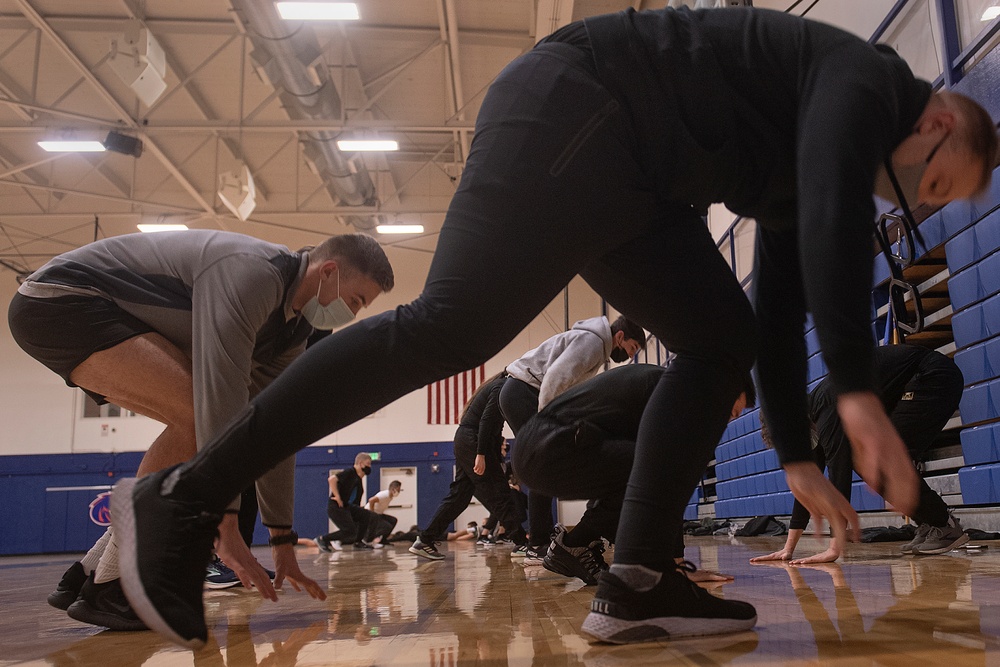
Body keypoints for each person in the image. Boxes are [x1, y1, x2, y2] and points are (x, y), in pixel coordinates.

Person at [111, 5, 997, 648]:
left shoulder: (822, 148)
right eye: (934, 183)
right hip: (585, 100)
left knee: (719, 339)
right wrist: (853, 390)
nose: (915, 199)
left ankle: (639, 579)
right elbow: (839, 207)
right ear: (939, 119)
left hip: (644, 181)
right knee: (450, 329)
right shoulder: (861, 82)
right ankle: (186, 495)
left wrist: (796, 452)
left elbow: (778, 296)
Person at [9, 229, 392, 630]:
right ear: (328, 271)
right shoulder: (254, 274)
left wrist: (281, 539)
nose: (353, 313)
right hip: (62, 300)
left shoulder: (291, 332)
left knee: (203, 420)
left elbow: (270, 430)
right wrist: (224, 525)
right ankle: (116, 585)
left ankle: (91, 577)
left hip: (100, 315)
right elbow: (219, 406)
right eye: (355, 301)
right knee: (200, 417)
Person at [513, 363, 754, 587]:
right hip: (549, 448)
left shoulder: (666, 385)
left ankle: (576, 545)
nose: (724, 423)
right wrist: (677, 567)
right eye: (730, 412)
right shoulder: (673, 395)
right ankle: (575, 546)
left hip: (538, 447)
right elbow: (666, 479)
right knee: (661, 470)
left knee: (651, 469)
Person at [751, 344, 967, 564]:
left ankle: (943, 525)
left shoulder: (827, 410)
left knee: (881, 459)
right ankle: (931, 523)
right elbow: (809, 486)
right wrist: (788, 548)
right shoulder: (813, 419)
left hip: (932, 376)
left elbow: (839, 478)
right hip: (911, 384)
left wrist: (834, 548)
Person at [501, 315, 645, 560]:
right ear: (620, 337)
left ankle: (540, 539)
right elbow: (555, 378)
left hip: (521, 392)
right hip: (524, 392)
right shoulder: (593, 341)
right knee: (542, 461)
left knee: (543, 463)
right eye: (632, 348)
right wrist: (545, 424)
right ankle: (537, 544)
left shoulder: (594, 342)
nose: (630, 357)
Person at [411, 372, 529, 560]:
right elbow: (486, 422)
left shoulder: (500, 386)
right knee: (499, 492)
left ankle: (425, 540)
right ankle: (521, 543)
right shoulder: (502, 386)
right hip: (472, 442)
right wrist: (481, 454)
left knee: (460, 495)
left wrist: (497, 458)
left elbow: (496, 427)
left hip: (466, 441)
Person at [315, 453, 378, 551]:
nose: (370, 466)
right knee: (350, 531)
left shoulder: (358, 478)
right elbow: (331, 479)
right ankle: (322, 539)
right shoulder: (350, 472)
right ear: (361, 464)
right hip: (335, 506)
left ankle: (358, 542)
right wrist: (337, 496)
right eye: (368, 464)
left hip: (346, 506)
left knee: (365, 514)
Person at [366, 480, 403, 547]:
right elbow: (371, 500)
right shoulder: (384, 495)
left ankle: (383, 540)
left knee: (393, 520)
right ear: (393, 489)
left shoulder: (390, 496)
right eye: (398, 490)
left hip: (379, 514)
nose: (399, 492)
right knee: (387, 526)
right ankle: (369, 538)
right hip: (370, 513)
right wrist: (372, 513)